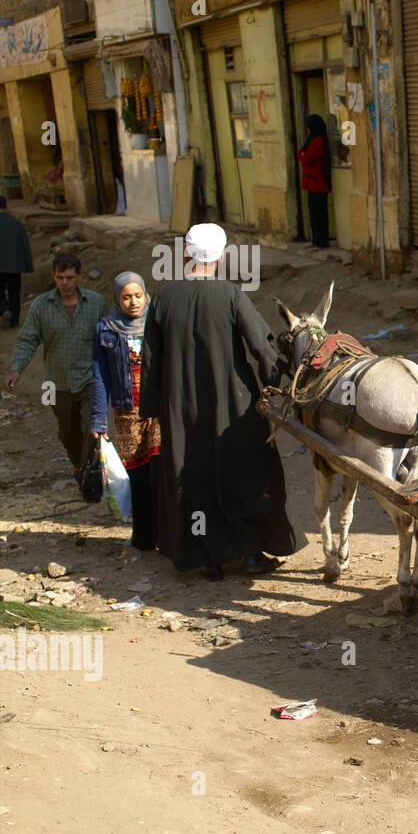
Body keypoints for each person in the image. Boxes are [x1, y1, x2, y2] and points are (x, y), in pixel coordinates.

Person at [140, 223, 302, 581]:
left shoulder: (163, 298)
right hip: (233, 404)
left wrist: (151, 409)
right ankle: (249, 555)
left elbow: (150, 358)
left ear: (185, 255)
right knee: (245, 473)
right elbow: (261, 345)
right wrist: (275, 384)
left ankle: (206, 558)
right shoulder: (230, 294)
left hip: (179, 408)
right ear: (222, 257)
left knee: (193, 478)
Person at [5, 254, 107, 483]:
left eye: (70, 277)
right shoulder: (42, 305)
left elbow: (108, 338)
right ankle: (77, 462)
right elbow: (28, 339)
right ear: (54, 276)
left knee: (91, 426)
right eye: (60, 277)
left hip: (89, 378)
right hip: (57, 382)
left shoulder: (96, 302)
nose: (65, 283)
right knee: (67, 431)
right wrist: (16, 369)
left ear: (79, 277)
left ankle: (89, 474)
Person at [90, 272, 161, 551]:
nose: (133, 302)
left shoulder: (159, 324)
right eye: (126, 297)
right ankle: (144, 537)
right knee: (138, 475)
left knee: (161, 472)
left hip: (158, 412)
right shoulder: (105, 331)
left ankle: (169, 535)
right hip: (125, 415)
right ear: (117, 299)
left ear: (146, 295)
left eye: (138, 295)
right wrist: (98, 419)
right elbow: (99, 377)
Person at [297, 114, 331, 249]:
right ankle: (315, 239)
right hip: (312, 183)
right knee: (313, 213)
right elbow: (302, 153)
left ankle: (322, 241)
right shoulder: (313, 140)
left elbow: (305, 158)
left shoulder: (318, 141)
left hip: (318, 183)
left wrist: (301, 154)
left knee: (319, 213)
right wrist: (302, 154)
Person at [0, 195, 33, 327]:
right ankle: (14, 321)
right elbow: (25, 245)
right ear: (6, 206)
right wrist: (28, 265)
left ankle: (3, 308)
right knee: (15, 291)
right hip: (15, 265)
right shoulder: (17, 224)